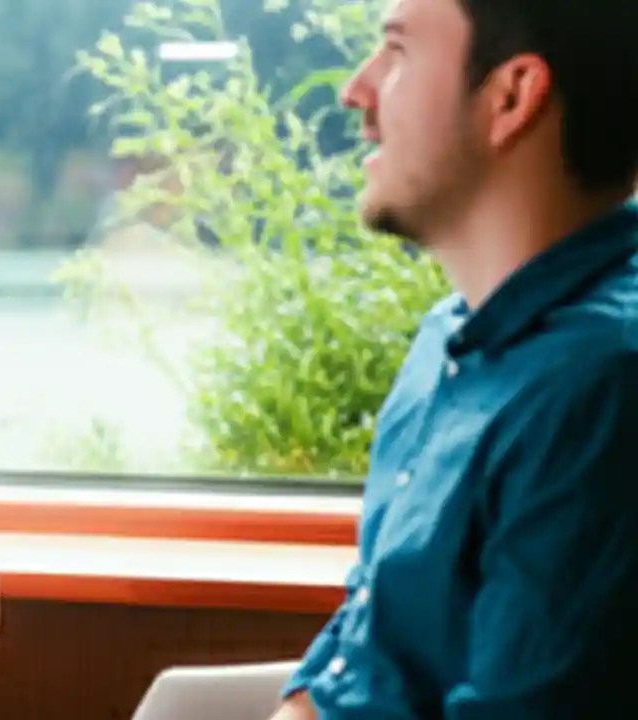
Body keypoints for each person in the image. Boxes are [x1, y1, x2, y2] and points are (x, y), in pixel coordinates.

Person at [266, 0, 638, 718]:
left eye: (398, 52)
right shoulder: (449, 336)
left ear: (511, 96)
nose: (356, 90)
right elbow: (371, 633)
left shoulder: (600, 392)